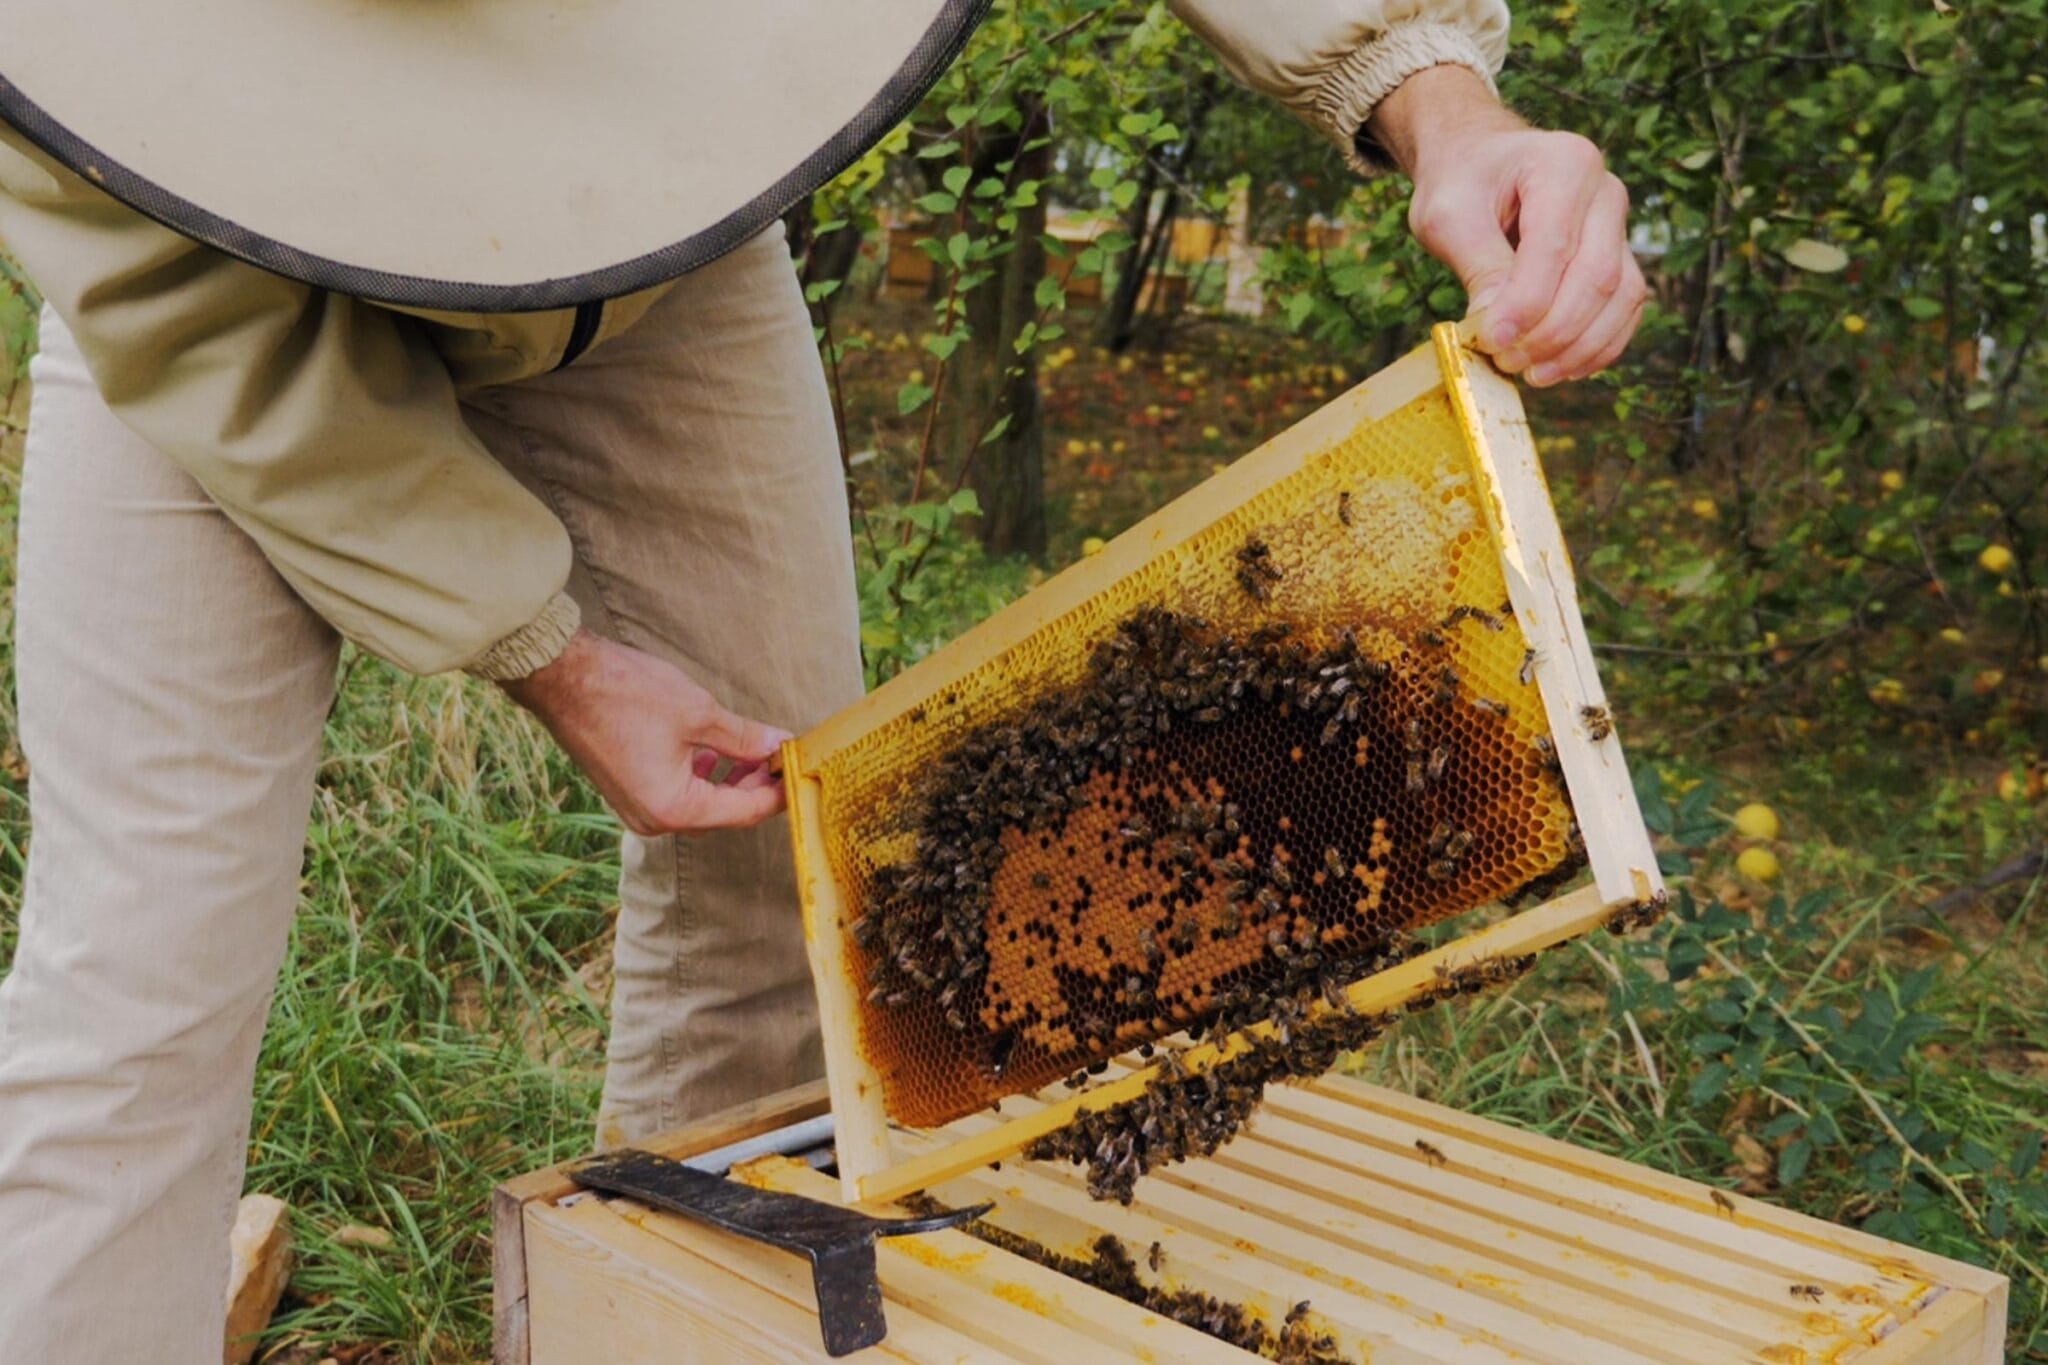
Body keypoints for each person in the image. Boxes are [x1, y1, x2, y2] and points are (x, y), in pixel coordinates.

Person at [0, 0, 1644, 1358]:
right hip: (211, 300)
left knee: (785, 898)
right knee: (141, 969)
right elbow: (196, 312)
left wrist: (1430, 96)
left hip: (652, 260)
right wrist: (546, 648)